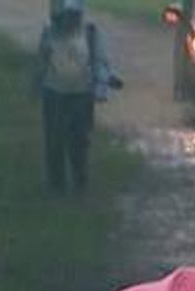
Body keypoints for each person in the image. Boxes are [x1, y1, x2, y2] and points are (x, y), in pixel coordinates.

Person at [33, 0, 121, 195]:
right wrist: (36, 86)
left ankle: (80, 183)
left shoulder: (90, 33)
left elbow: (99, 62)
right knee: (54, 140)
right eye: (66, 16)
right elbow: (41, 61)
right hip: (54, 93)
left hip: (81, 95)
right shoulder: (49, 33)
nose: (70, 20)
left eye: (74, 15)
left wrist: (105, 82)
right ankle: (56, 185)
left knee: (79, 140)